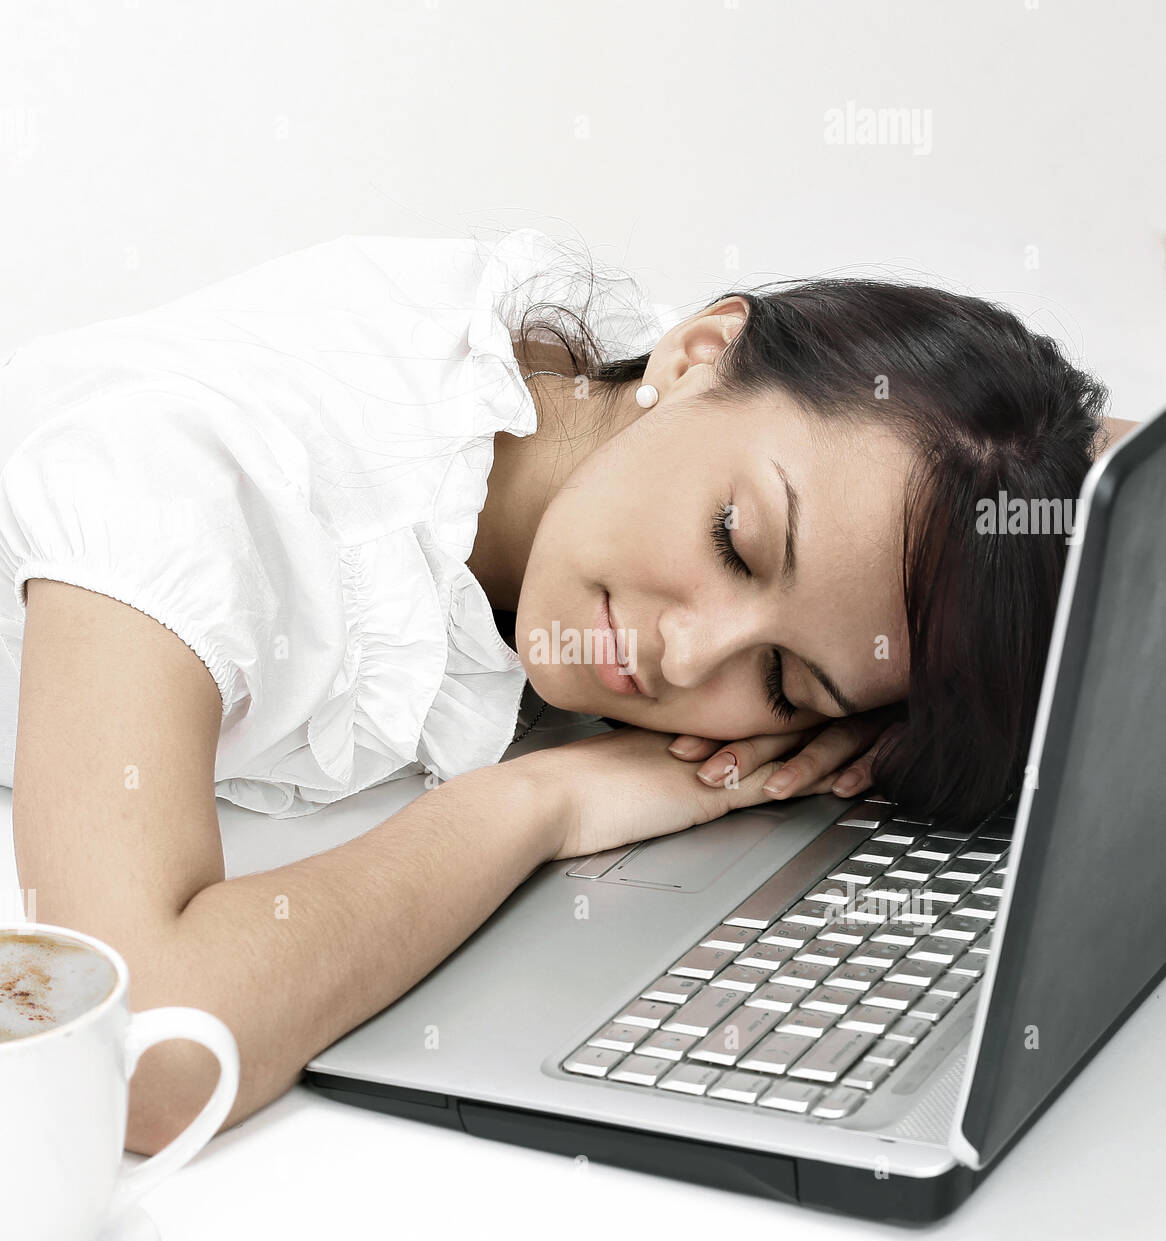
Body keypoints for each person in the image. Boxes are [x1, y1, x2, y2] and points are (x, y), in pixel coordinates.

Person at [0, 227, 1132, 1155]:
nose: (688, 662)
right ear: (693, 355)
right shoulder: (199, 479)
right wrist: (540, 805)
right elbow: (147, 1054)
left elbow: (1047, 467)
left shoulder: (573, 437)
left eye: (784, 681)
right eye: (736, 542)